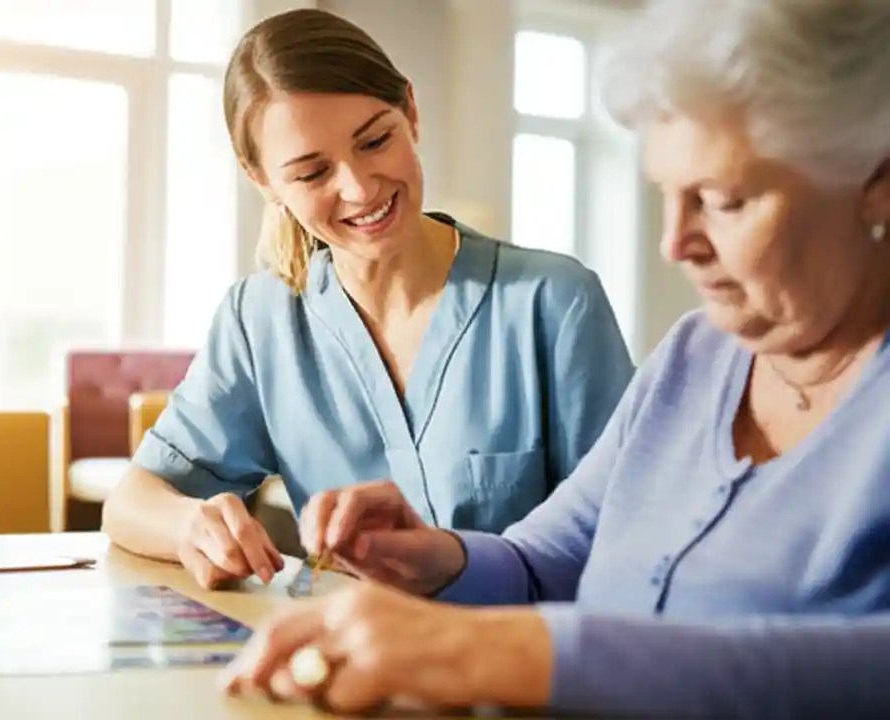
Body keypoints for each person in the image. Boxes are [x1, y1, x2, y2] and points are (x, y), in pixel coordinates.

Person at [221, 0, 890, 716]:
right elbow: (552, 557)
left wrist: (497, 652)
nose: (675, 243)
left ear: (875, 182)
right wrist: (436, 555)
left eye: (724, 201)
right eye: (667, 194)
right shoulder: (697, 356)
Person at [102, 9, 634, 590]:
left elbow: (633, 540)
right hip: (349, 666)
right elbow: (131, 502)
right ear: (262, 181)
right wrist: (189, 524)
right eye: (311, 173)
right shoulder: (261, 321)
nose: (359, 188)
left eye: (376, 140)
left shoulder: (553, 304)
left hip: (525, 671)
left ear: (411, 111)